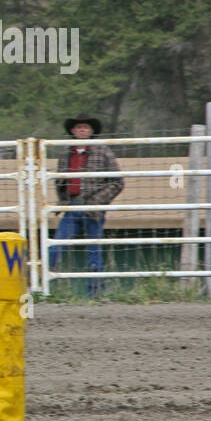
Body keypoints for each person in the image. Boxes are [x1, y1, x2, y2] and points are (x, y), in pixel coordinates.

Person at [50, 114, 123, 293]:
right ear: (73, 131)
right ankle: (46, 287)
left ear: (91, 131)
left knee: (94, 252)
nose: (82, 130)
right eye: (79, 127)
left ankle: (95, 293)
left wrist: (96, 201)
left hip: (93, 209)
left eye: (85, 127)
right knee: (54, 247)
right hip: (72, 206)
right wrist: (64, 199)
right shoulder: (65, 153)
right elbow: (60, 180)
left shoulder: (103, 151)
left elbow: (117, 182)